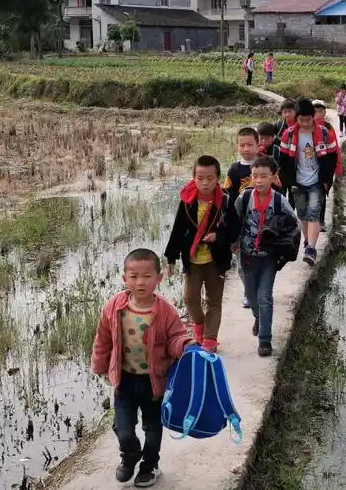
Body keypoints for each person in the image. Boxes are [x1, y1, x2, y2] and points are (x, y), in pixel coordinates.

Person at [90, 248, 195, 487]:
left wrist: (186, 346)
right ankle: (130, 455)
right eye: (134, 276)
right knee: (123, 427)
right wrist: (100, 366)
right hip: (125, 380)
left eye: (147, 276)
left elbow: (175, 338)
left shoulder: (165, 311)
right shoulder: (115, 307)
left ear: (159, 278)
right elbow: (103, 338)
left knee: (153, 427)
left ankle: (150, 465)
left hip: (154, 381)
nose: (140, 282)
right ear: (124, 278)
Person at [164, 155, 235, 353]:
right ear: (193, 178)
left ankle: (210, 339)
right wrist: (171, 258)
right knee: (190, 299)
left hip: (215, 260)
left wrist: (218, 235)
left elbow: (234, 228)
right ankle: (200, 326)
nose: (205, 183)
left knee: (214, 300)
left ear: (218, 178)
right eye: (200, 178)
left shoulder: (226, 201)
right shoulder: (187, 201)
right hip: (193, 260)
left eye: (210, 178)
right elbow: (178, 229)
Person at [234, 156, 297, 357]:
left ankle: (265, 340)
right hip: (246, 256)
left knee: (265, 297)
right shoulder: (244, 198)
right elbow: (233, 222)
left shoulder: (279, 200)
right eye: (255, 176)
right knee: (251, 296)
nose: (259, 180)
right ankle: (258, 318)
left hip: (269, 256)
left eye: (264, 176)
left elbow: (293, 224)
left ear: (273, 177)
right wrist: (233, 243)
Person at [224, 127, 281, 309]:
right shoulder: (234, 169)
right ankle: (249, 291)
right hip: (242, 225)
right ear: (237, 146)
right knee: (242, 263)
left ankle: (263, 288)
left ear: (258, 145)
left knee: (265, 259)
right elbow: (228, 198)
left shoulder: (267, 165)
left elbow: (279, 190)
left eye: (250, 144)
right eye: (242, 145)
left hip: (264, 223)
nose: (246, 148)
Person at [277, 98, 337, 266]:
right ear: (296, 118)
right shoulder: (288, 135)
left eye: (307, 120)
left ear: (313, 117)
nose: (304, 123)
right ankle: (307, 240)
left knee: (313, 214)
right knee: (302, 214)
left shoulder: (324, 133)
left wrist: (327, 180)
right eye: (300, 120)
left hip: (317, 181)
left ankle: (311, 248)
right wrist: (287, 181)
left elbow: (332, 157)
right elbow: (283, 160)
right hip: (298, 181)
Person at [311, 99, 343, 233]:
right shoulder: (306, 128)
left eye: (321, 111)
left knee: (322, 193)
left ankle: (321, 221)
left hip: (326, 167)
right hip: (311, 167)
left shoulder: (328, 128)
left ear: (324, 112)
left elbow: (336, 149)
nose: (318, 114)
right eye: (315, 111)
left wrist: (338, 167)